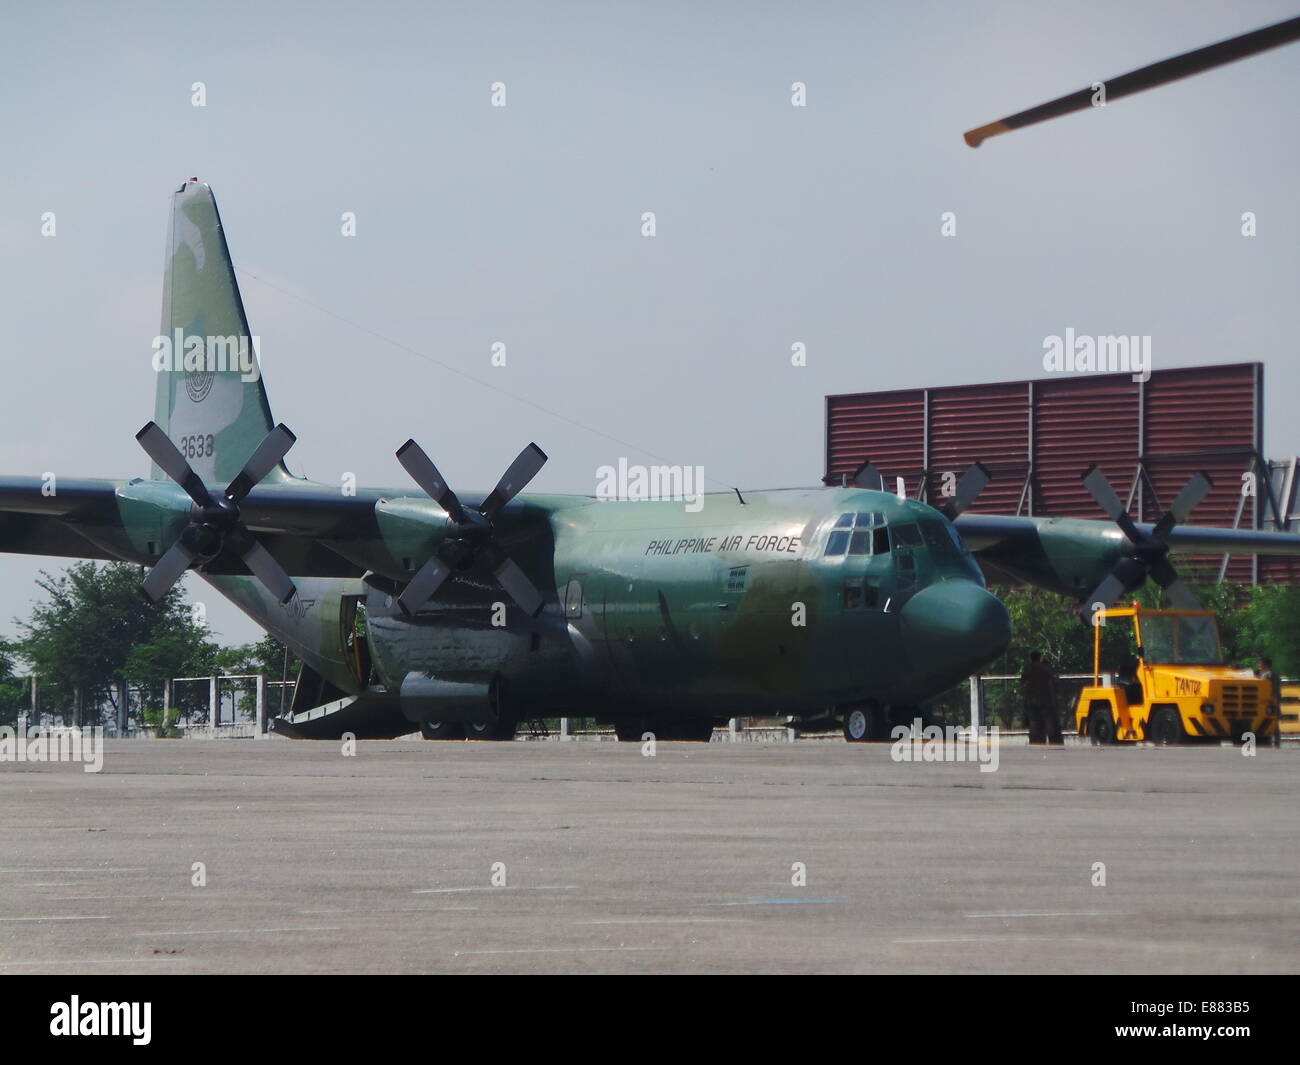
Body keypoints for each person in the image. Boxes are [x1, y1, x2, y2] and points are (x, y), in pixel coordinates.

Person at [1020, 651, 1062, 745]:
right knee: (1049, 721)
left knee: (1034, 721)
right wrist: (1054, 700)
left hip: (1032, 700)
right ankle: (1053, 741)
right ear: (1039, 658)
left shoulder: (1029, 669)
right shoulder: (1045, 669)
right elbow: (1052, 683)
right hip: (1046, 699)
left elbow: (1022, 682)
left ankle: (1036, 741)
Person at [1256, 656, 1282, 748]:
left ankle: (1277, 741)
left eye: (1260, 663)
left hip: (1270, 702)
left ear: (1265, 665)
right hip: (1260, 702)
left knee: (1273, 721)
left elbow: (1275, 689)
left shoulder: (1272, 676)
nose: (1259, 665)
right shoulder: (1259, 675)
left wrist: (1274, 699)